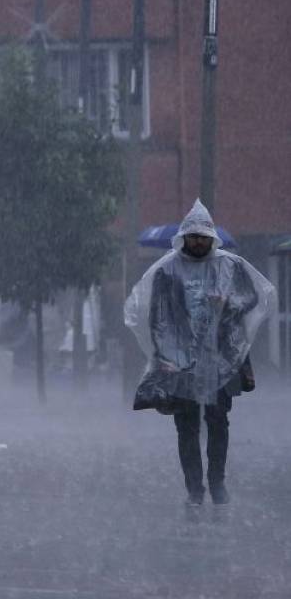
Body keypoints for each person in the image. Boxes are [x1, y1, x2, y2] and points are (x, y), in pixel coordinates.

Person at [125, 200, 274, 506]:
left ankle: (217, 483)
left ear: (211, 238)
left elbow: (248, 299)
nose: (197, 242)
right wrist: (164, 352)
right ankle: (195, 488)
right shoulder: (167, 269)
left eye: (202, 237)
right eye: (192, 237)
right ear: (184, 237)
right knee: (187, 424)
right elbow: (156, 314)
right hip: (181, 360)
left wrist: (226, 304)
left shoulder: (229, 266)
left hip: (221, 357)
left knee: (219, 421)